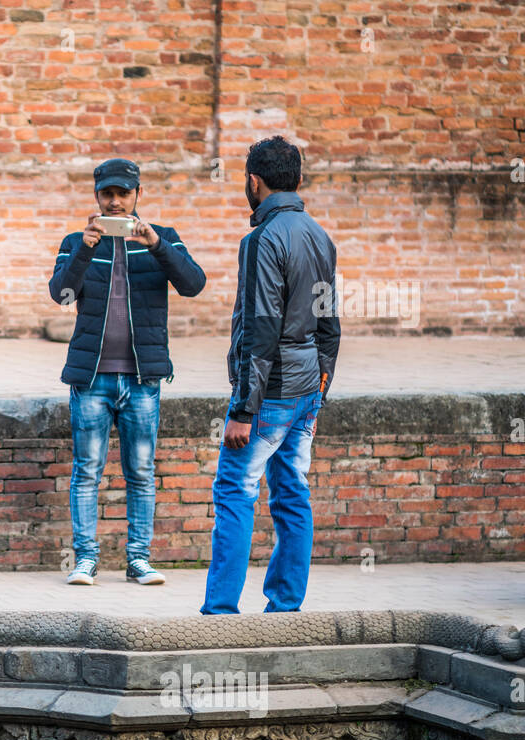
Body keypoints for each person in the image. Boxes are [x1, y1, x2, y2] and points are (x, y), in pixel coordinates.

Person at [49, 158, 206, 586]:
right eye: (107, 194)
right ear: (96, 196)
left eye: (123, 194)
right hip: (92, 377)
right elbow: (61, 295)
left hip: (142, 379)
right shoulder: (76, 241)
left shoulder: (164, 239)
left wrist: (157, 245)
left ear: (138, 196)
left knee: (140, 471)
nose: (115, 202)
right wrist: (85, 248)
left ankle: (138, 559)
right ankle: (85, 560)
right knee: (87, 470)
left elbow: (193, 284)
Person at [201, 136, 341, 614]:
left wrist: (243, 409)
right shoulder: (320, 236)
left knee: (235, 492)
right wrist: (321, 386)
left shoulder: (261, 240)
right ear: (298, 181)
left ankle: (220, 612)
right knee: (292, 494)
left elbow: (261, 329)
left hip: (269, 395)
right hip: (305, 391)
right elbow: (329, 323)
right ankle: (285, 607)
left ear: (253, 182)